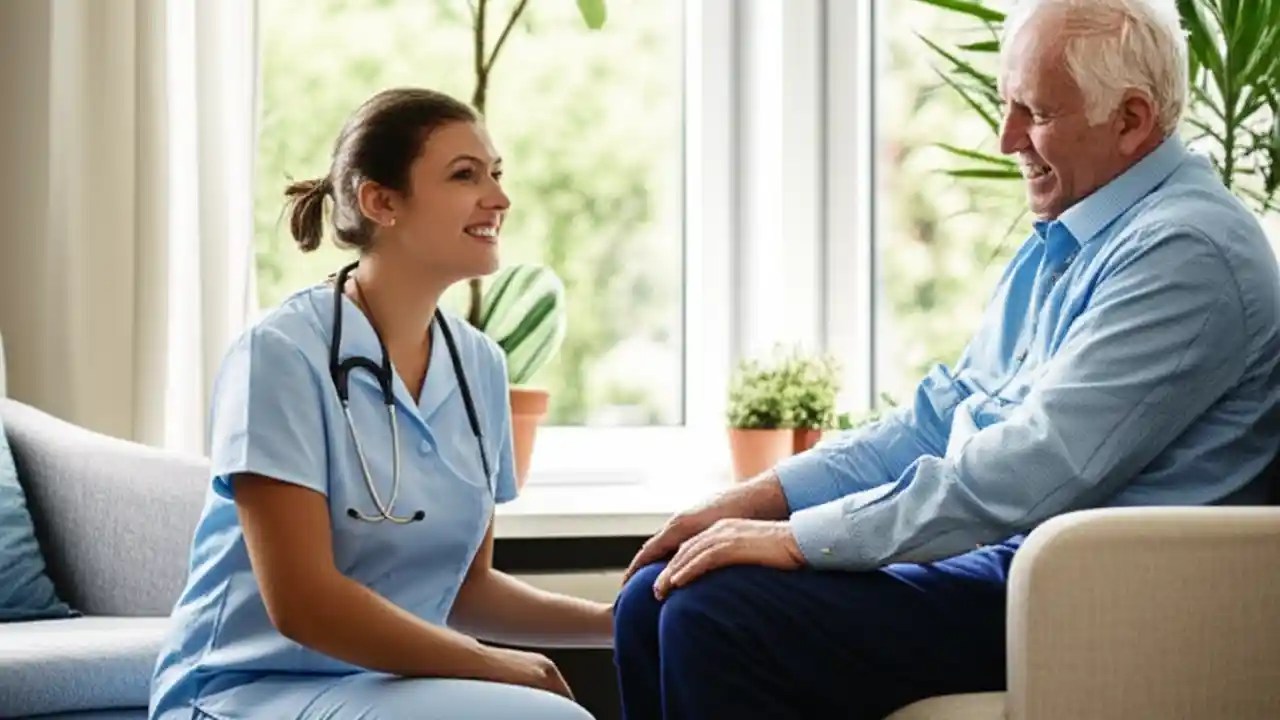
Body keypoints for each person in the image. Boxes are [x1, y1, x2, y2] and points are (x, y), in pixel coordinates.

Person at [613, 0, 1280, 717]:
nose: (1005, 139)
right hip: (1015, 564)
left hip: (1097, 597)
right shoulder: (1069, 238)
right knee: (647, 600)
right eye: (1006, 105)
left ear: (1131, 120)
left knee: (716, 613)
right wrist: (751, 501)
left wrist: (799, 540)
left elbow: (1032, 471)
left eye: (1037, 113)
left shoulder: (1185, 252)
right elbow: (937, 419)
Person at [149, 87, 612, 720]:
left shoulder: (480, 366)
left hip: (388, 685)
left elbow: (465, 590)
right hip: (245, 689)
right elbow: (303, 603)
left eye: (497, 175)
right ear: (380, 201)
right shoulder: (280, 355)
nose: (499, 198)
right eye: (465, 175)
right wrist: (495, 664)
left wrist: (615, 622)